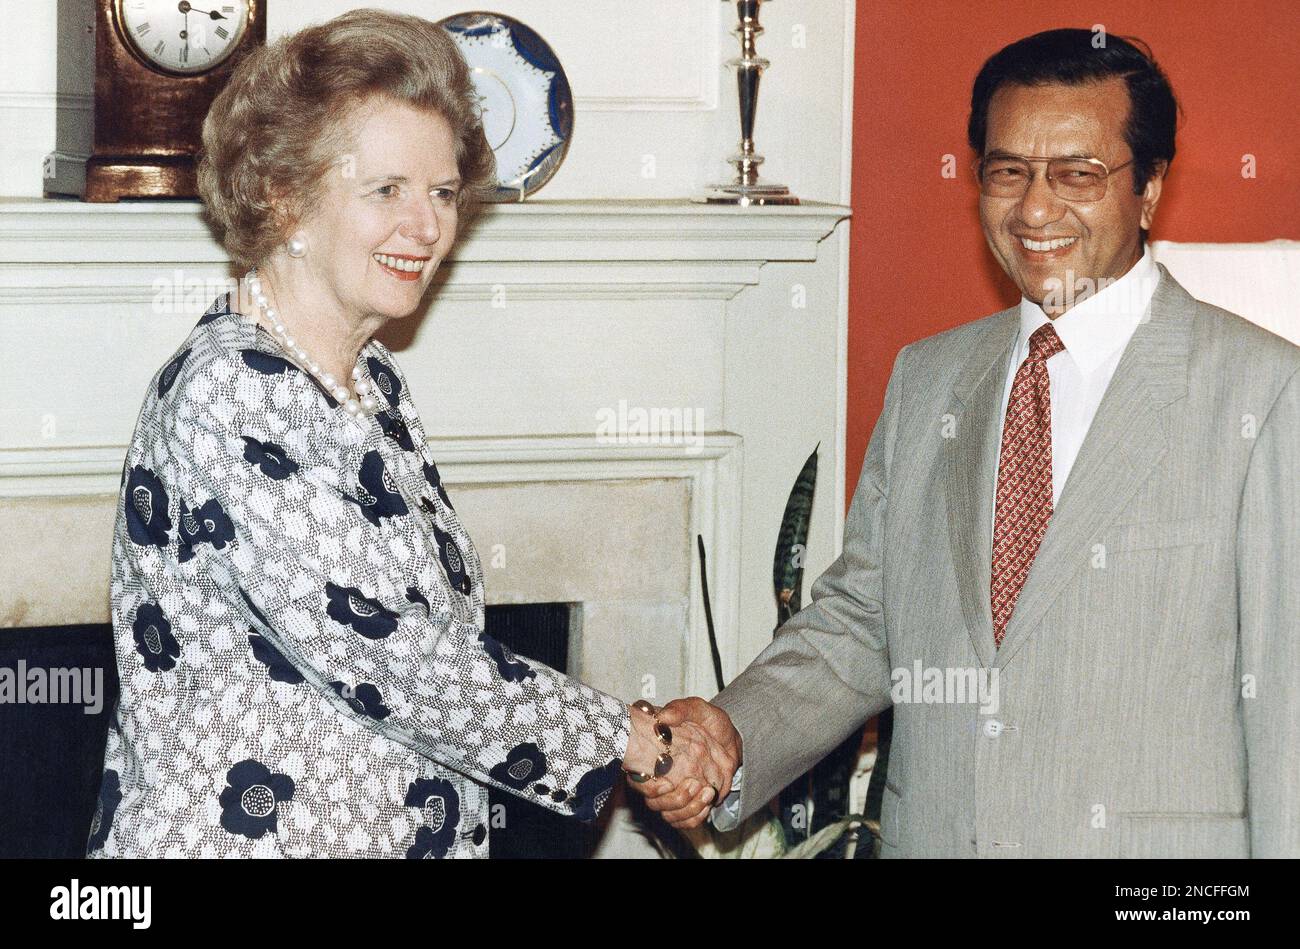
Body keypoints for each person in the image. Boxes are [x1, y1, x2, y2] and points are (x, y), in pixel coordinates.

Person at [645, 28, 1300, 856]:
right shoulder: (929, 379)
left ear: (1151, 186)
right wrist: (730, 732)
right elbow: (862, 623)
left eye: (1078, 174)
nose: (1034, 208)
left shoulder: (1266, 392)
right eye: (1007, 172)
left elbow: (1289, 720)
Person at [91, 8, 728, 859]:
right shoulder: (231, 389)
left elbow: (437, 645)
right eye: (386, 190)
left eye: (441, 193)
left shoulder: (369, 379)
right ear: (285, 198)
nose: (426, 228)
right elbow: (393, 656)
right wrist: (635, 738)